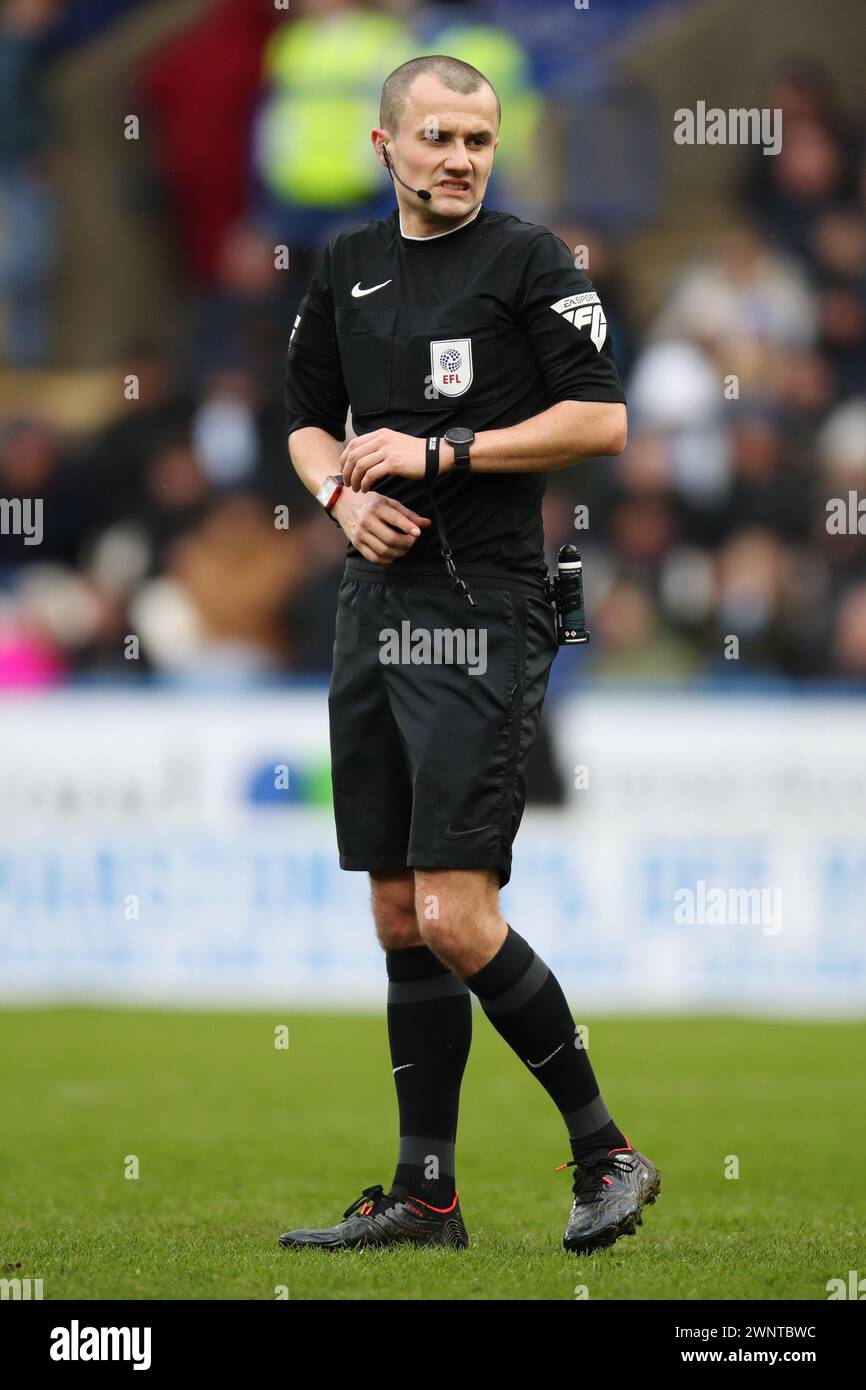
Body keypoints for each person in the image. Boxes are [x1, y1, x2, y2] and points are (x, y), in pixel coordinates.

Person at [280, 53, 660, 1255]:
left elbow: (599, 418)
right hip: (370, 604)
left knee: (453, 909)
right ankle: (424, 1197)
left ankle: (606, 1151)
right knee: (397, 911)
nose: (457, 157)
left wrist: (439, 456)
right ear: (383, 143)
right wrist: (340, 497)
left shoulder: (531, 261)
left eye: (477, 141)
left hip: (484, 604)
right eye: (435, 136)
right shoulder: (343, 268)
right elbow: (300, 421)